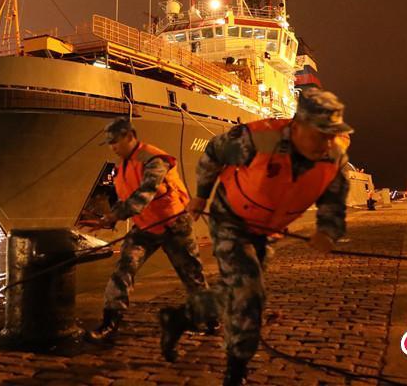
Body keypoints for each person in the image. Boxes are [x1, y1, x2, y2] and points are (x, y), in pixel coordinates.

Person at [187, 88, 353, 385]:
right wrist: (200, 196)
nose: (328, 142)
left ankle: (193, 312)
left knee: (234, 288)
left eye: (332, 135)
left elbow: (334, 202)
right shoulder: (257, 139)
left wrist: (327, 231)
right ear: (297, 126)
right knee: (250, 291)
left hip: (267, 230)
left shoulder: (334, 158)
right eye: (321, 134)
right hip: (231, 220)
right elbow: (213, 151)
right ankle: (236, 370)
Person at [84, 118, 215, 357]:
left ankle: (210, 318)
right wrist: (110, 218)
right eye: (109, 143)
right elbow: (128, 197)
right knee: (123, 270)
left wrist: (112, 217)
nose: (112, 147)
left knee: (192, 275)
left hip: (174, 225)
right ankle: (110, 323)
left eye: (115, 141)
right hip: (145, 226)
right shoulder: (124, 164)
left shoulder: (154, 160)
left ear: (129, 136)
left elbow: (144, 195)